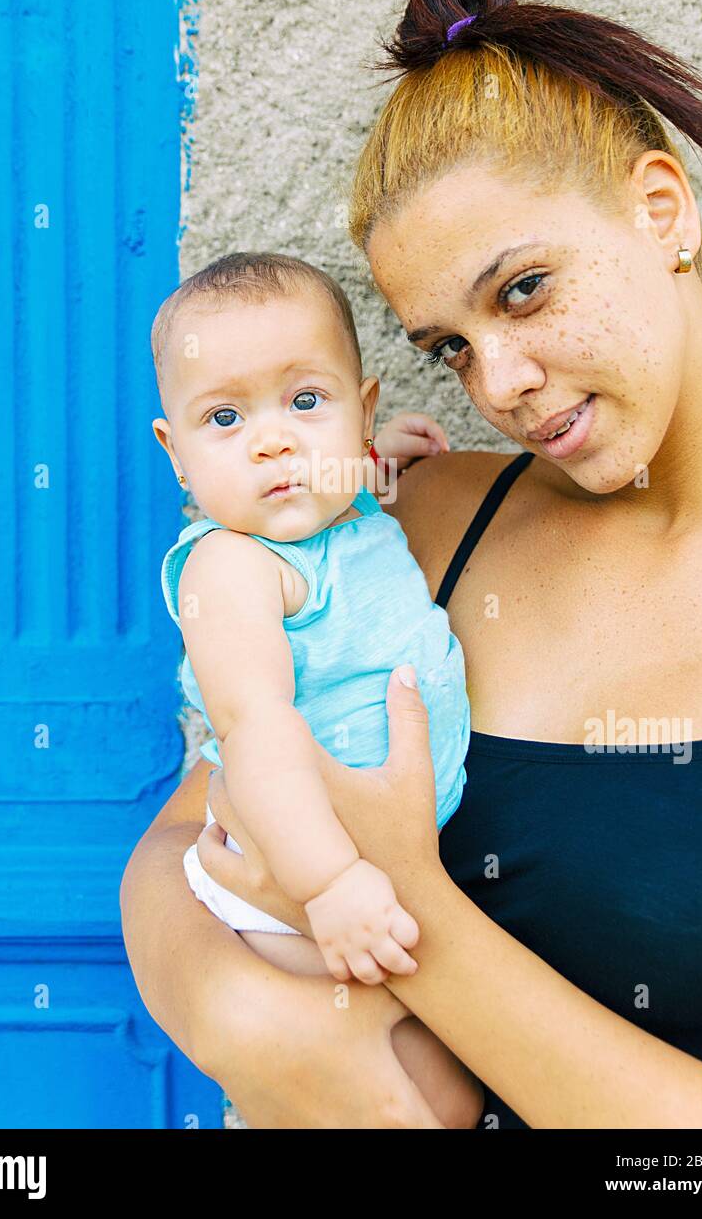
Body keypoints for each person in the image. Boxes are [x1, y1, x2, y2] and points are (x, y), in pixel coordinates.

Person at [121, 0, 702, 1128]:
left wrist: (412, 921)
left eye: (521, 290)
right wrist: (257, 1026)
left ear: (660, 209)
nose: (503, 382)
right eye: (448, 347)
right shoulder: (419, 524)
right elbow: (191, 828)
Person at [149, 251, 483, 1126]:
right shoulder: (232, 567)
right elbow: (255, 729)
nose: (274, 441)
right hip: (294, 877)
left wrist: (381, 463)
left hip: (369, 863)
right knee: (422, 1097)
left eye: (306, 402)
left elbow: (337, 493)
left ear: (360, 411)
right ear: (176, 454)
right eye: (223, 418)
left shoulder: (340, 507)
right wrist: (326, 884)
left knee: (444, 1088)